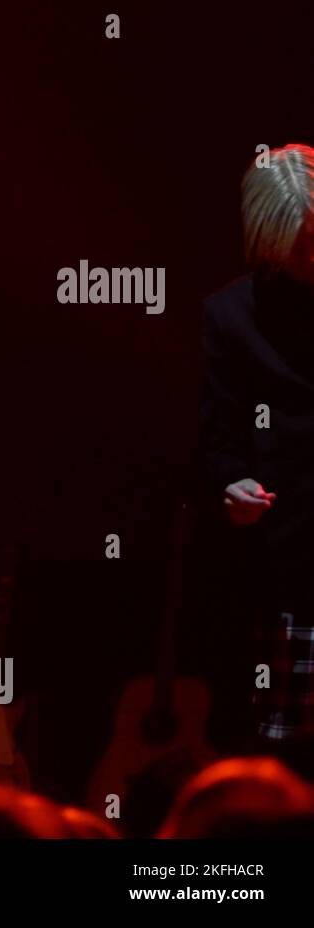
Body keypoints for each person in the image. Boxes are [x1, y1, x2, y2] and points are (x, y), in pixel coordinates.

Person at [200, 142, 314, 751]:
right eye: (301, 245)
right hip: (290, 574)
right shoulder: (232, 315)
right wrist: (232, 488)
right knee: (283, 769)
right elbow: (221, 440)